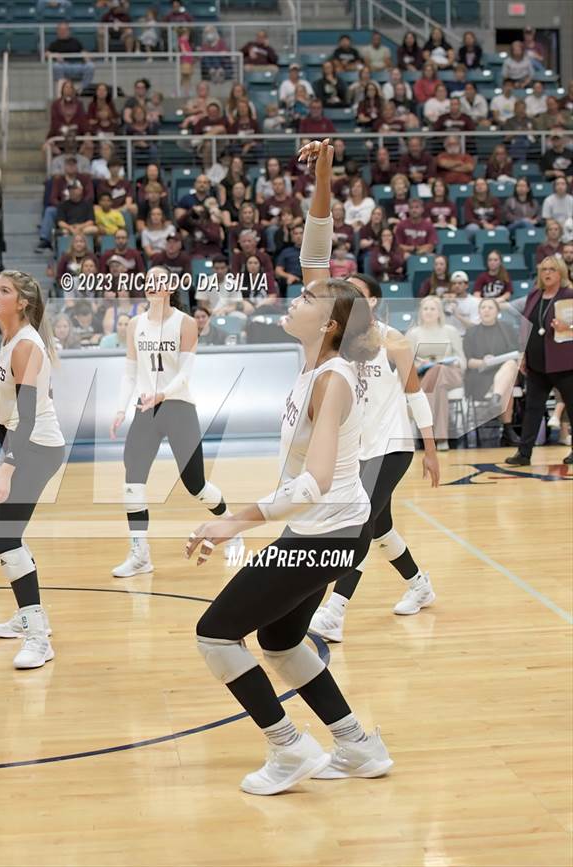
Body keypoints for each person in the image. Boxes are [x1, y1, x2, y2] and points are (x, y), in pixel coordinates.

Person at [189, 138, 393, 796]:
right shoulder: (318, 356)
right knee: (278, 641)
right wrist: (326, 174)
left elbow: (311, 484)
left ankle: (289, 748)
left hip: (324, 531)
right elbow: (316, 248)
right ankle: (360, 746)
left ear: (329, 325)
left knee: (217, 634)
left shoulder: (333, 378)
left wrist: (235, 522)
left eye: (307, 299)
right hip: (329, 531)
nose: (294, 298)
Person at [310, 272, 439, 641]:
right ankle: (419, 585)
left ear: (374, 302)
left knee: (359, 524)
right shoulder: (340, 342)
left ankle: (335, 612)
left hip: (392, 446)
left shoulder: (394, 340)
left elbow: (416, 396)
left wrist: (430, 449)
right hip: (358, 450)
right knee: (381, 529)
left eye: (357, 293)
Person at [0, 272, 65, 668]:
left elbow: (30, 414)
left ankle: (39, 637)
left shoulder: (25, 345)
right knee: (9, 536)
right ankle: (29, 618)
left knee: (4, 538)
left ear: (22, 302)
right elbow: (7, 401)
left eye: (4, 290)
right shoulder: (10, 340)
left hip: (37, 446)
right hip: (28, 442)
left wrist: (5, 469)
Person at [109, 266, 242, 575]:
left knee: (195, 485)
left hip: (178, 407)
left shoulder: (185, 323)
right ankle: (140, 555)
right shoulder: (136, 325)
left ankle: (231, 526)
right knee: (133, 483)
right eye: (147, 280)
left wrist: (162, 394)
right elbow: (130, 372)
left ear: (170, 288)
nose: (151, 285)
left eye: (158, 281)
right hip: (146, 410)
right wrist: (119, 410)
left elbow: (185, 375)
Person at [505, 257, 573, 466]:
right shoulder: (535, 295)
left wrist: (568, 328)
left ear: (560, 272)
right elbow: (526, 326)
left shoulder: (569, 295)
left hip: (565, 363)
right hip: (536, 363)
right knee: (532, 409)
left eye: (552, 269)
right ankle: (524, 454)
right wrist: (522, 354)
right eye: (544, 269)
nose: (547, 273)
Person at [406, 296, 465, 449]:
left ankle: (419, 416)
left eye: (432, 309)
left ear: (439, 312)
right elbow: (406, 362)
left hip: (451, 372)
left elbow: (462, 359)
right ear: (420, 312)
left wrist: (454, 361)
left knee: (439, 369)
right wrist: (419, 364)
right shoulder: (413, 333)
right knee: (438, 384)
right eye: (425, 309)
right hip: (423, 374)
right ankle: (441, 439)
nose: (429, 312)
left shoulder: (450, 331)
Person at [463, 298, 521, 446]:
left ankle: (496, 398)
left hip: (503, 372)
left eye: (490, 307)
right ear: (479, 312)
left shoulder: (508, 329)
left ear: (497, 312)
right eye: (483, 307)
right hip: (480, 375)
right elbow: (469, 362)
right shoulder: (471, 332)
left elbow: (516, 353)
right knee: (508, 384)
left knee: (510, 364)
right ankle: (507, 430)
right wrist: (483, 362)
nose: (487, 310)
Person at [46, 22, 95, 93]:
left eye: (65, 30)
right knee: (56, 66)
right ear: (57, 31)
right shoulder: (54, 44)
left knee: (91, 65)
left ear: (69, 31)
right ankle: (62, 90)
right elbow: (47, 54)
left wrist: (86, 56)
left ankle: (81, 89)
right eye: (60, 30)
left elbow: (84, 52)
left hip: (78, 65)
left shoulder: (76, 41)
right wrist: (53, 54)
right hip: (64, 66)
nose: (63, 32)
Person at [441, 270, 481, 335]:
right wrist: (443, 302)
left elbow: (475, 327)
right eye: (454, 283)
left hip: (467, 338)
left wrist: (458, 315)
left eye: (460, 283)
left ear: (466, 285)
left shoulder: (475, 302)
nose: (457, 286)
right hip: (449, 338)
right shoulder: (445, 301)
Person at [542, 177, 573, 242]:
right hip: (554, 229)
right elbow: (548, 221)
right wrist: (560, 226)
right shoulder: (548, 200)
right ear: (554, 187)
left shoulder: (571, 200)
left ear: (567, 186)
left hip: (569, 229)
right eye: (558, 184)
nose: (560, 186)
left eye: (563, 184)